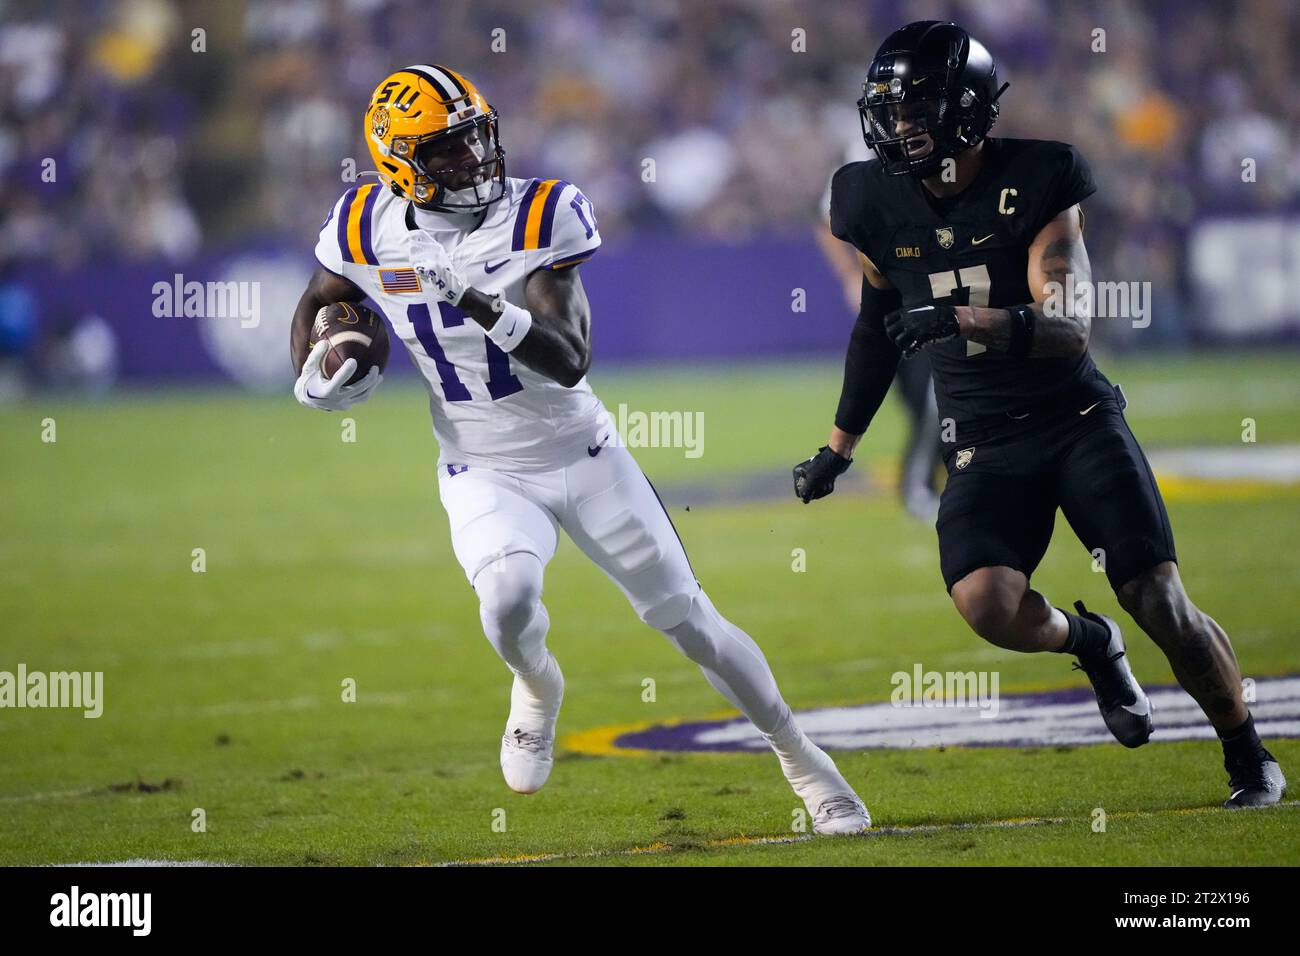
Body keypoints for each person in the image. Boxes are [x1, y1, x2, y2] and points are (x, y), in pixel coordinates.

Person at [290, 64, 870, 833]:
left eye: (475, 139)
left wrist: (469, 294)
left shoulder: (543, 211)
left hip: (582, 452)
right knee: (506, 600)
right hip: (482, 462)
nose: (472, 161)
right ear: (401, 164)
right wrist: (314, 375)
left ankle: (805, 761)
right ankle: (536, 684)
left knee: (690, 621)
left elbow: (568, 356)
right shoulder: (362, 222)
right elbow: (320, 302)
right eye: (447, 151)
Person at [793, 22, 1284, 808]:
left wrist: (961, 319)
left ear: (967, 109)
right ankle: (1091, 642)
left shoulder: (1041, 176)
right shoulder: (867, 198)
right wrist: (838, 448)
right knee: (985, 604)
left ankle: (1246, 751)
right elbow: (872, 330)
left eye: (918, 106)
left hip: (1074, 417)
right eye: (889, 107)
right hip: (980, 438)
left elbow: (1068, 327)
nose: (900, 124)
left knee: (1156, 594)